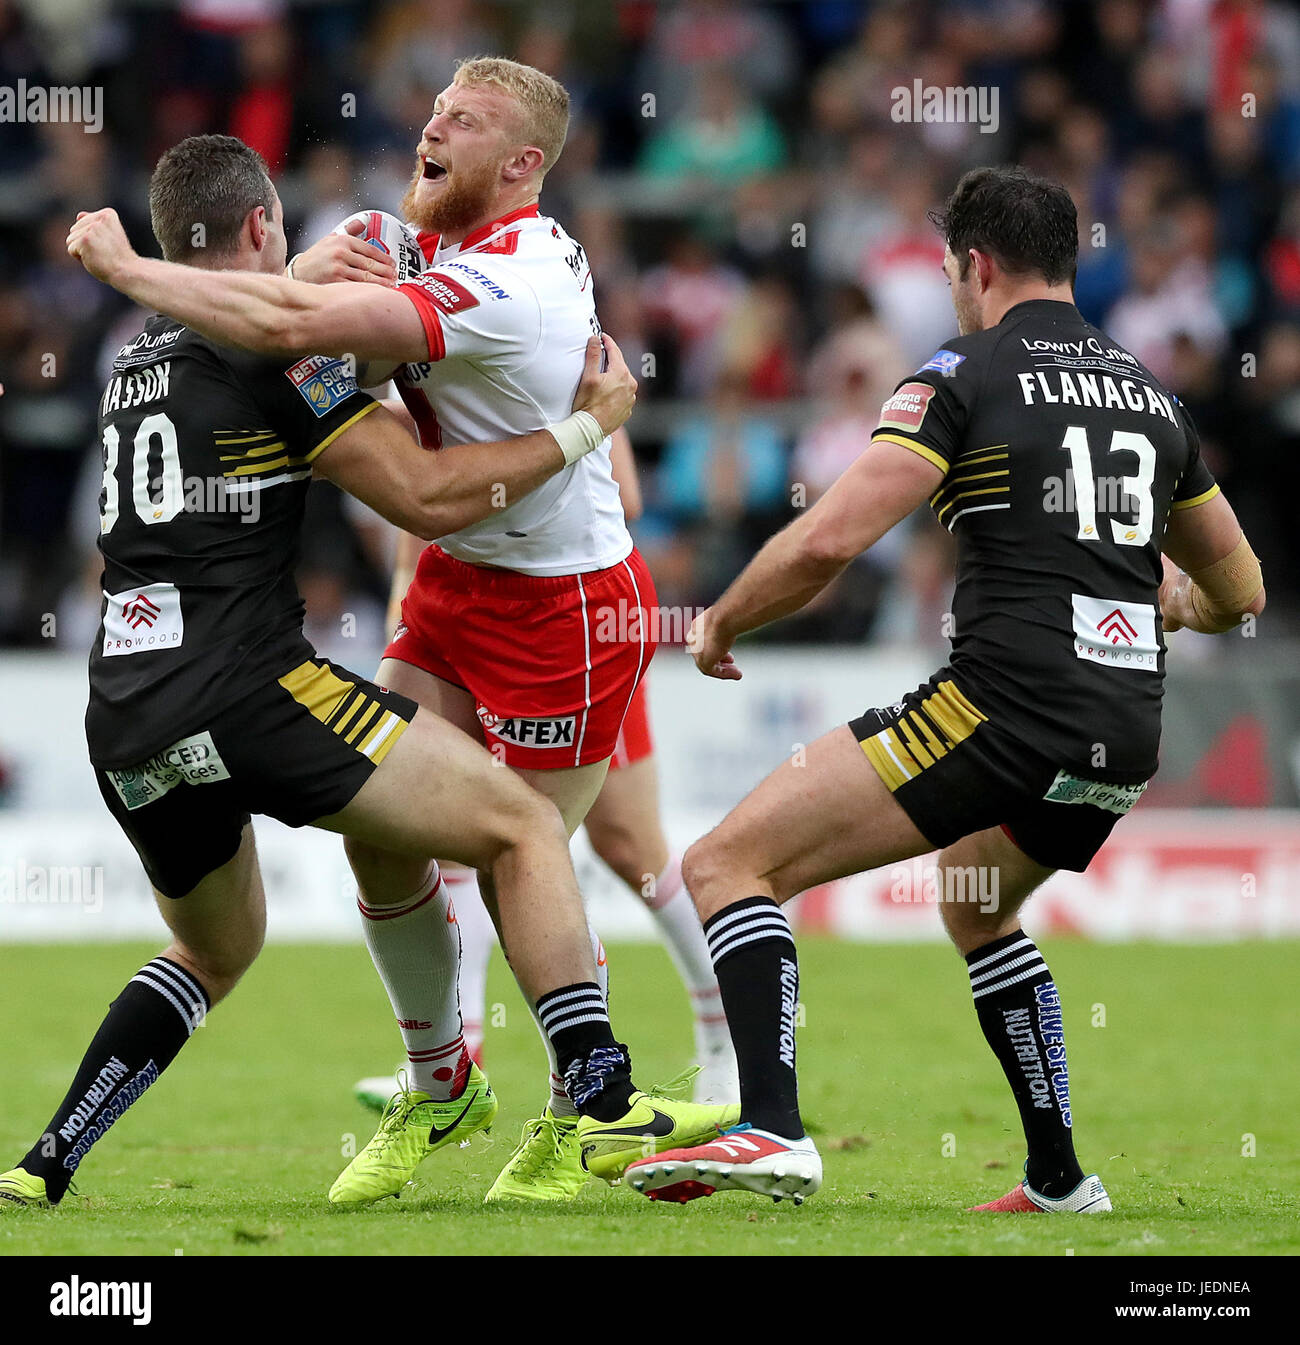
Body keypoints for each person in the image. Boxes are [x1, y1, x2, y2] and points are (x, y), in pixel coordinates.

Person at [0, 133, 733, 1213]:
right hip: (252, 688)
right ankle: (603, 1094)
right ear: (260, 228)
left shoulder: (136, 348)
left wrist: (324, 304)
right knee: (523, 829)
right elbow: (424, 499)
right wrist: (585, 427)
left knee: (214, 947)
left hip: (126, 714)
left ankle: (45, 1159)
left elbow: (260, 341)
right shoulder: (275, 351)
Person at [623, 166, 1265, 1210]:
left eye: (949, 274)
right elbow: (1240, 590)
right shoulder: (1150, 397)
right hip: (1123, 727)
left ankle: (771, 1129)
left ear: (975, 266)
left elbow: (833, 535)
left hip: (1002, 705)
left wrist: (726, 616)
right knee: (975, 901)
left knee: (729, 861)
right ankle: (1059, 1177)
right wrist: (1164, 606)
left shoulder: (962, 370)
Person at [351, 432, 738, 1140]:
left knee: (624, 845)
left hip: (572, 619)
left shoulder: (546, 350)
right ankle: (459, 1056)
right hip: (469, 616)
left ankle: (722, 1036)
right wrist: (411, 574)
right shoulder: (431, 366)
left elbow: (623, 496)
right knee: (456, 830)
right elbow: (419, 485)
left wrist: (490, 498)